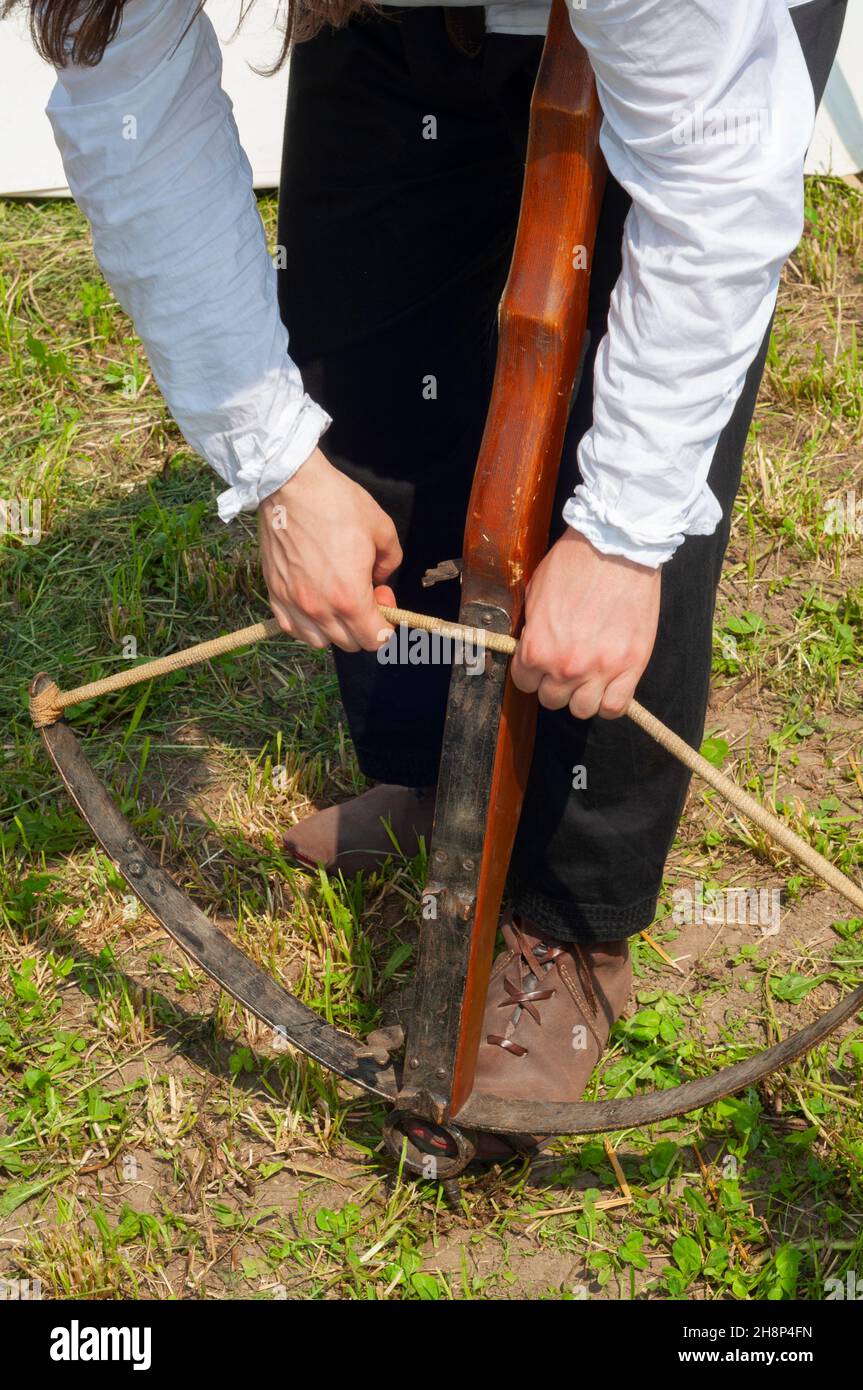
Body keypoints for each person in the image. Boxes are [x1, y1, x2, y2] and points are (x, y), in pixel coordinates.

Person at [16, 0, 847, 1157]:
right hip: (388, 23)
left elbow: (711, 178)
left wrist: (618, 536)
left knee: (621, 418)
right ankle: (441, 782)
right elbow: (132, 102)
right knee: (374, 338)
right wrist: (277, 465)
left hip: (696, 42)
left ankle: (567, 910)